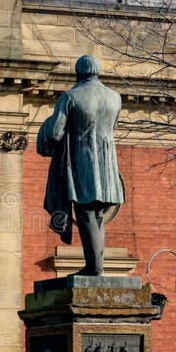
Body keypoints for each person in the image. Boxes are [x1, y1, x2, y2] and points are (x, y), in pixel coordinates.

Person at [37, 54, 124, 277]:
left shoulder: (70, 96)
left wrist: (46, 124)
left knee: (86, 212)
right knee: (97, 215)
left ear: (78, 73)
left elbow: (55, 133)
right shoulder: (115, 98)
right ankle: (97, 266)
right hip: (107, 164)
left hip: (82, 161)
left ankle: (94, 268)